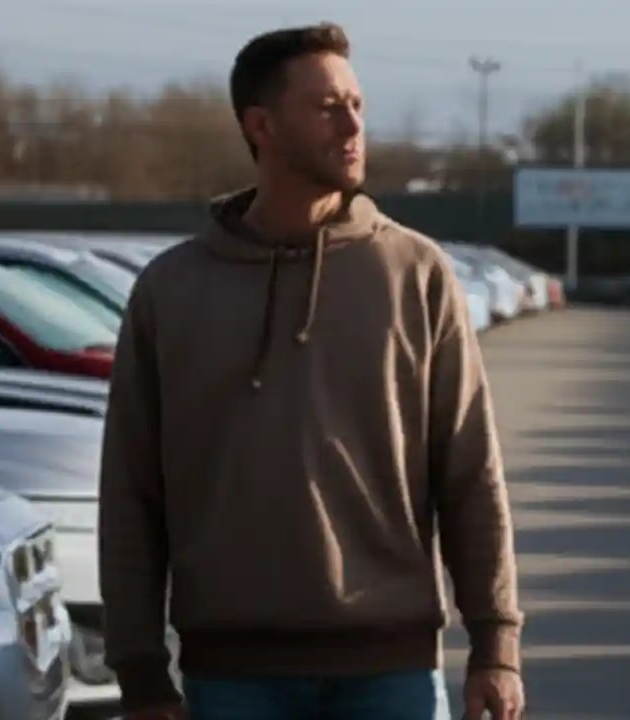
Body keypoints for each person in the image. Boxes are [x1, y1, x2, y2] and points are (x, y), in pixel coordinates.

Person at [97, 22, 525, 720]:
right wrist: (139, 668)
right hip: (231, 676)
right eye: (328, 106)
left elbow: (470, 472)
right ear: (261, 125)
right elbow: (132, 494)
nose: (354, 124)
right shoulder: (171, 291)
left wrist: (496, 643)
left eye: (356, 103)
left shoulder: (416, 274)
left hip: (393, 674)